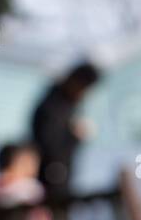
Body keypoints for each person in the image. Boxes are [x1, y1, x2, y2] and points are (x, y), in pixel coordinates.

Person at [30, 61, 101, 202]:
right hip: (52, 179)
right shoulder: (52, 106)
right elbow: (51, 146)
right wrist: (74, 136)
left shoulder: (67, 104)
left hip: (61, 176)